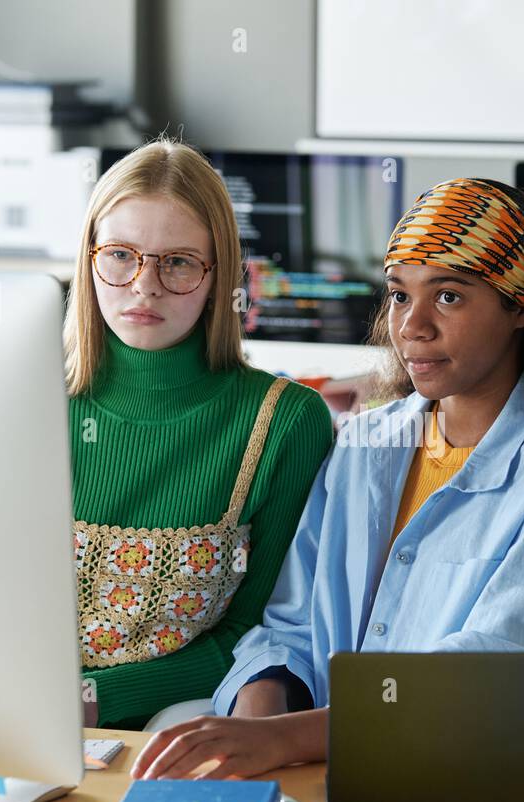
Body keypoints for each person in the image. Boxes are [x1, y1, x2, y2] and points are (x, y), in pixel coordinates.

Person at [131, 176, 524, 781]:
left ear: (522, 306)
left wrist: (288, 739)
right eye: (398, 295)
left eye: (448, 297)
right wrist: (259, 719)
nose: (413, 326)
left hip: (464, 787)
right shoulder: (365, 444)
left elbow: (496, 679)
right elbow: (291, 625)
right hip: (329, 777)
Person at [65, 138, 333, 729]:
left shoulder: (285, 422)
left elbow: (256, 635)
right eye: (119, 254)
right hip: (2, 722)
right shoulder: (20, 392)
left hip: (169, 727)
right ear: (88, 257)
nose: (144, 285)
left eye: (179, 262)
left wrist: (87, 700)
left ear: (219, 277)